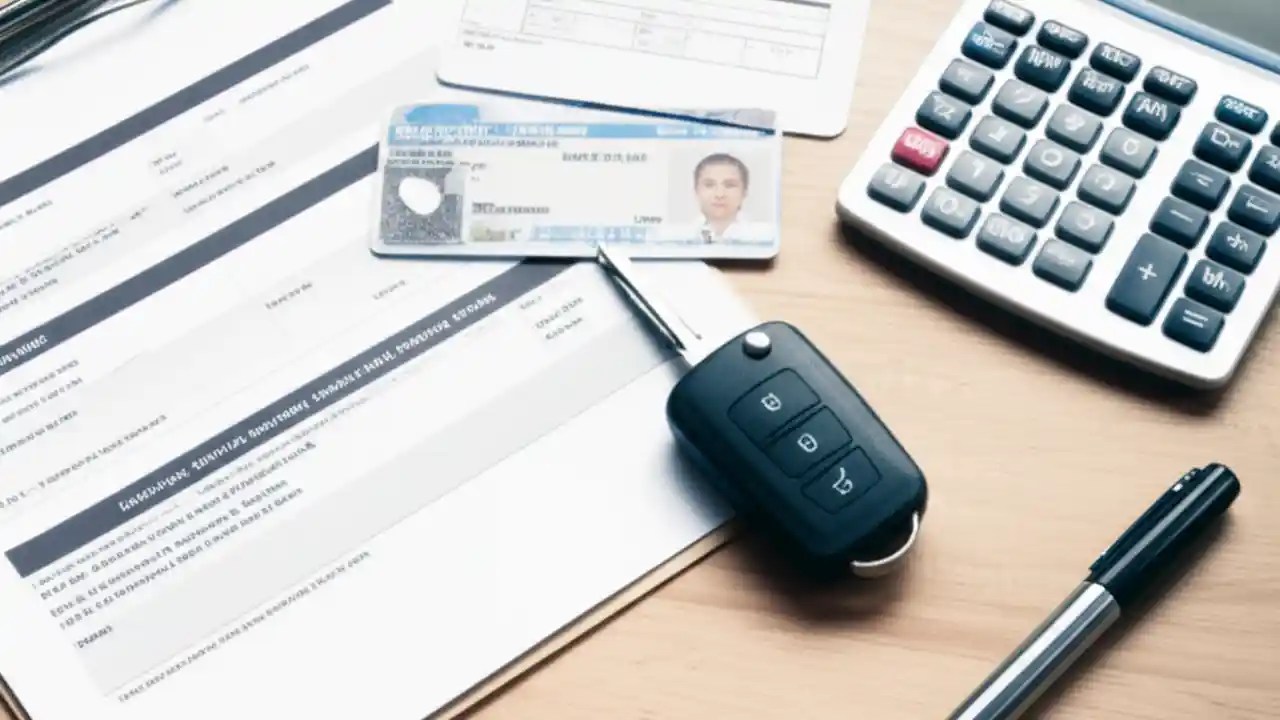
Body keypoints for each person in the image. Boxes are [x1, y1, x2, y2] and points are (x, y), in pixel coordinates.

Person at [692, 153, 752, 243]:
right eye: (709, 185)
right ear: (696, 191)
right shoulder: (676, 239)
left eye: (730, 185)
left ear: (744, 192)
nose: (719, 194)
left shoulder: (764, 237)